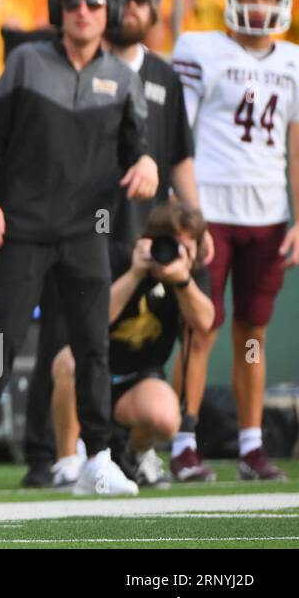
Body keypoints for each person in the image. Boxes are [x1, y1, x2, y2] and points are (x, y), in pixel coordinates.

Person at [0, 0, 159, 500]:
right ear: (59, 11)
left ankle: (98, 457)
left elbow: (137, 147)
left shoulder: (124, 80)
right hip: (24, 228)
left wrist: (146, 161)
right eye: (74, 3)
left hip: (87, 233)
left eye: (94, 3)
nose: (84, 11)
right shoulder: (26, 63)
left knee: (92, 349)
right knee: (0, 342)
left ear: (108, 12)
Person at [23, 0, 206, 488]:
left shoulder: (164, 77)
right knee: (62, 339)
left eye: (140, 0)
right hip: (76, 223)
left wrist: (197, 220)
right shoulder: (65, 67)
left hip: (140, 226)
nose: (129, 9)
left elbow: (180, 158)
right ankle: (49, 454)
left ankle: (131, 447)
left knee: (125, 337)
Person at [170, 0, 299, 482]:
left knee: (253, 332)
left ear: (284, 4)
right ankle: (184, 441)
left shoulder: (295, 62)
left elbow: (298, 148)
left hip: (268, 215)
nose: (258, 5)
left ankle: (251, 444)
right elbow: (179, 135)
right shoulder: (200, 50)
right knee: (200, 327)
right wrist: (189, 212)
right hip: (212, 213)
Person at [51, 203, 215, 487]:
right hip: (94, 369)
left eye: (187, 244)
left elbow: (204, 323)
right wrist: (135, 274)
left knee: (165, 418)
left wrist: (183, 281)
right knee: (68, 361)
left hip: (137, 381)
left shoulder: (190, 273)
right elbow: (94, 320)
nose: (175, 252)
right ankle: (68, 465)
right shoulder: (120, 257)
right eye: (171, 242)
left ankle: (135, 455)